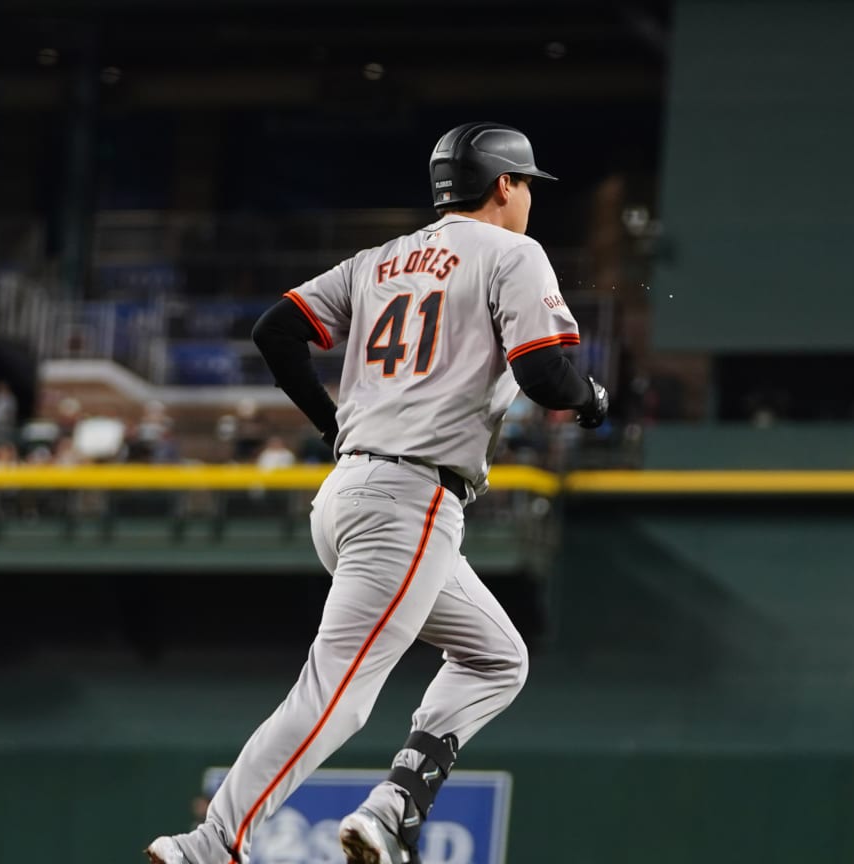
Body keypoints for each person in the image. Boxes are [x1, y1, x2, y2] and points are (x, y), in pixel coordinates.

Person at [145, 122, 608, 864]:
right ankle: (212, 840)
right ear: (503, 185)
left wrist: (335, 425)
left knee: (496, 658)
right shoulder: (513, 251)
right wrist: (590, 400)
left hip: (351, 492)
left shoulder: (381, 259)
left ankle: (393, 809)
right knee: (338, 694)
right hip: (410, 499)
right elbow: (546, 376)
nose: (529, 198)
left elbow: (276, 331)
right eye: (525, 183)